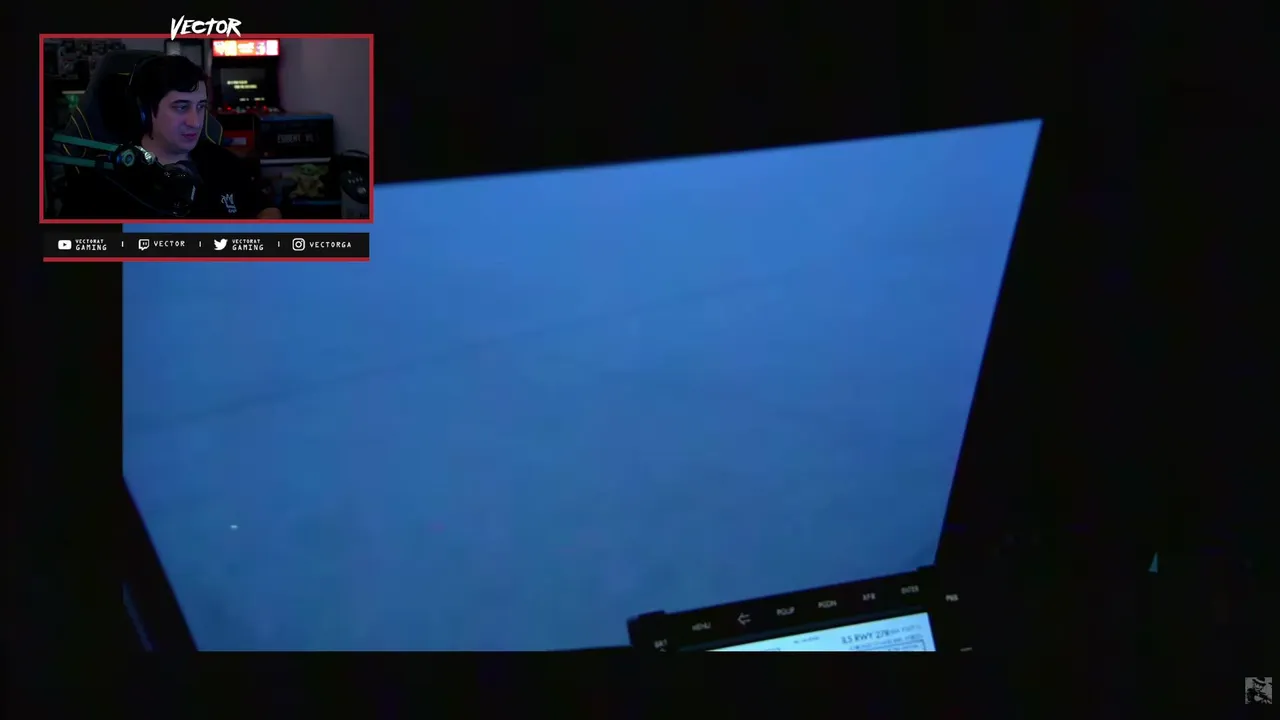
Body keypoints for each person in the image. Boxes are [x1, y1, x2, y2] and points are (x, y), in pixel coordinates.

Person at [57, 54, 283, 220]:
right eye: (181, 107)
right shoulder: (102, 181)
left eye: (201, 107)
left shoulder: (222, 162)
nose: (196, 122)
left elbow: (266, 208)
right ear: (145, 111)